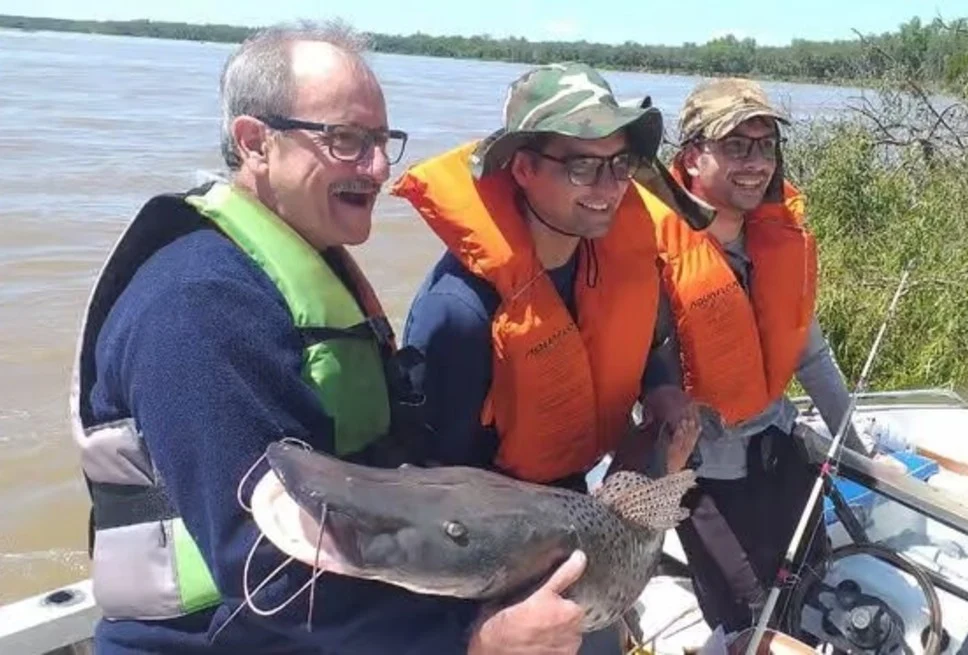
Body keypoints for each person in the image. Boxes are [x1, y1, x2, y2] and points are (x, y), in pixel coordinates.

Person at [71, 21, 586, 654]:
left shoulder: (304, 267)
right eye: (344, 139)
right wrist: (470, 640)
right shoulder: (199, 302)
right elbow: (266, 562)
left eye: (380, 141)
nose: (375, 167)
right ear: (254, 142)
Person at [390, 62, 708, 653]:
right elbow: (446, 500)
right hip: (506, 556)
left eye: (619, 164)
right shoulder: (458, 314)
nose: (608, 186)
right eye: (582, 165)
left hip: (584, 503)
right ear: (525, 168)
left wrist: (660, 388)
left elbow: (637, 343)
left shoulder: (609, 255)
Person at [640, 78, 866, 635]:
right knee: (750, 622)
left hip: (782, 454)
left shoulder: (776, 240)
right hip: (709, 486)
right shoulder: (653, 256)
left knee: (817, 587)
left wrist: (859, 456)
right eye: (736, 146)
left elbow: (812, 358)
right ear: (691, 158)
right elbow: (642, 385)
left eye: (765, 146)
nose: (755, 163)